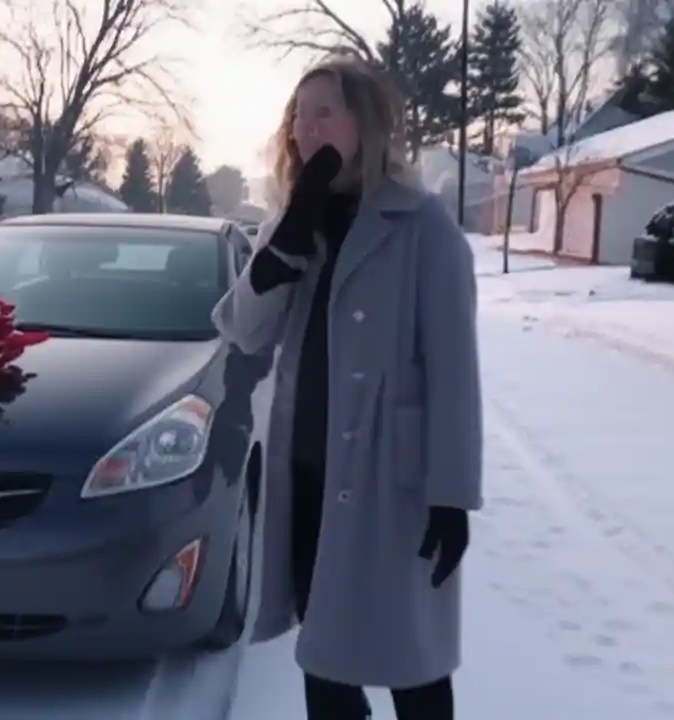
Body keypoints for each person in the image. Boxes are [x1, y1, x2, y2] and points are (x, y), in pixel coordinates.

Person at [211, 54, 483, 720]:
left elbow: (455, 374)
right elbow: (243, 331)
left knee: (411, 662)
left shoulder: (422, 227)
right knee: (324, 654)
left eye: (323, 111)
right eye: (297, 116)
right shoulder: (289, 224)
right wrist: (280, 253)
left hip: (393, 483)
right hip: (308, 478)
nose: (306, 128)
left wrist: (452, 496)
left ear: (367, 123)